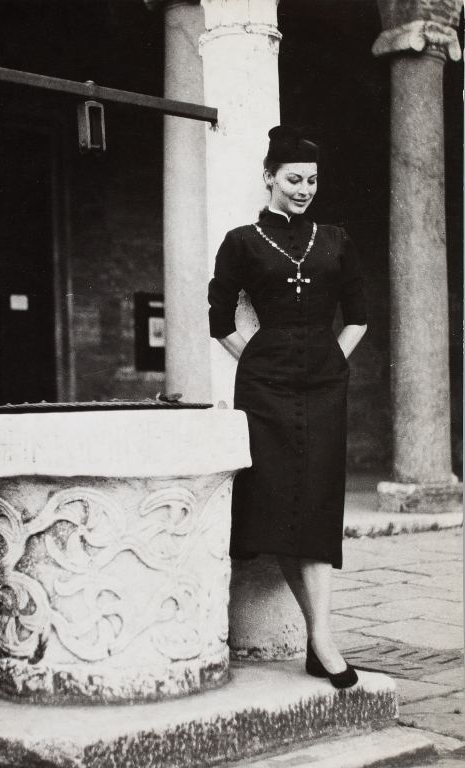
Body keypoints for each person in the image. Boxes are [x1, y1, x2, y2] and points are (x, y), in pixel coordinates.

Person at [208, 125, 367, 689]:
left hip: (324, 389)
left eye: (312, 181)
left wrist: (334, 361)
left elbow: (358, 311)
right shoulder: (242, 240)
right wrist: (260, 358)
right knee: (278, 504)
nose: (304, 189)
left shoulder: (334, 237)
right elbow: (219, 318)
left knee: (318, 504)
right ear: (270, 177)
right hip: (267, 393)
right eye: (294, 179)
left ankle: (321, 637)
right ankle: (320, 638)